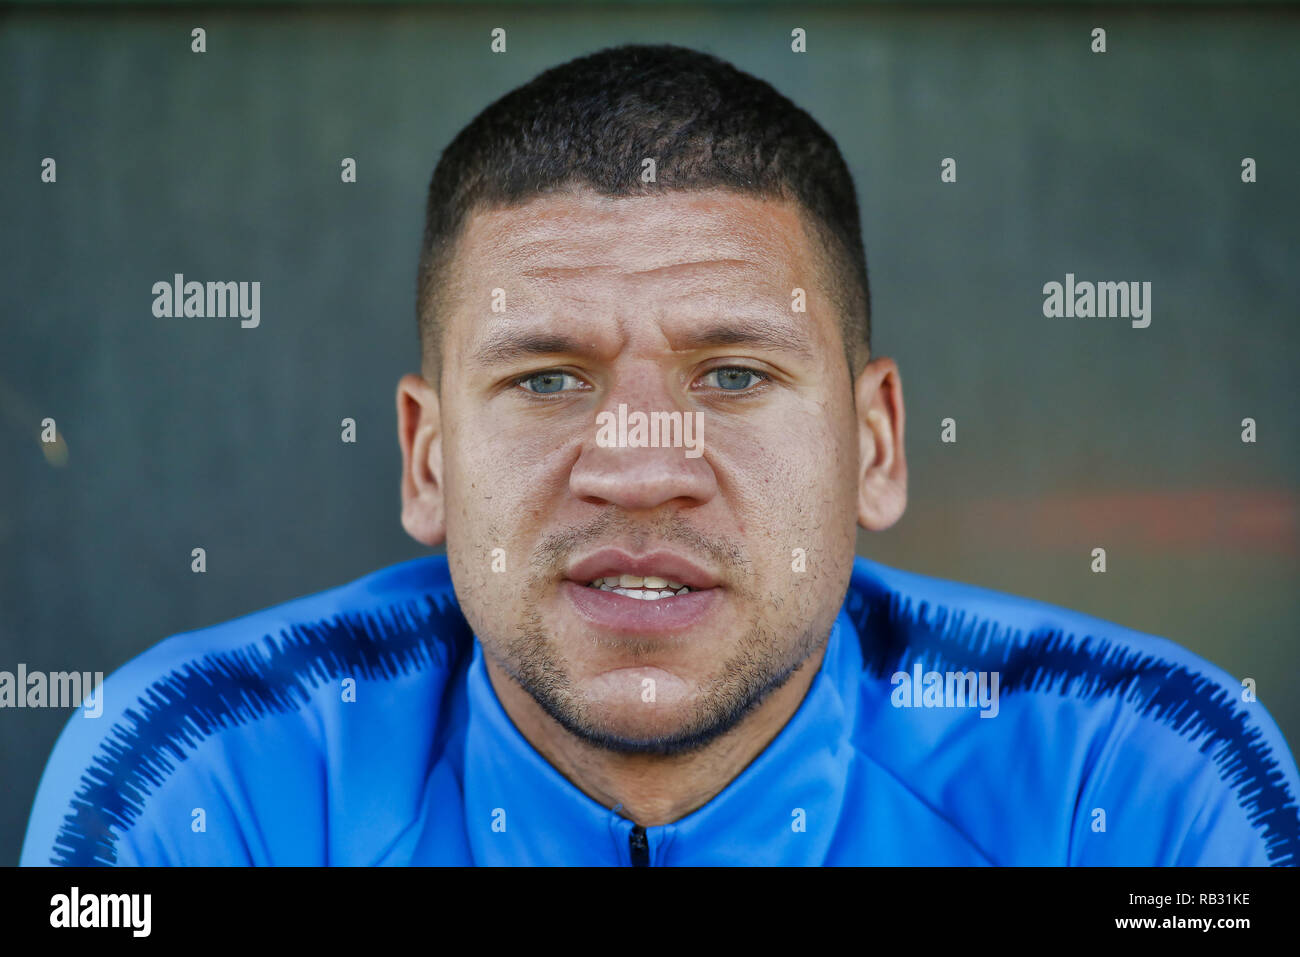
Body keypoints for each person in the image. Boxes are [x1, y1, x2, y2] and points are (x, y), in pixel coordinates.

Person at [23, 44, 1299, 866]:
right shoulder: (202, 779)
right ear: (426, 460)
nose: (637, 469)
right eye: (546, 379)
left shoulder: (1137, 783)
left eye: (733, 376)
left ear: (873, 445)